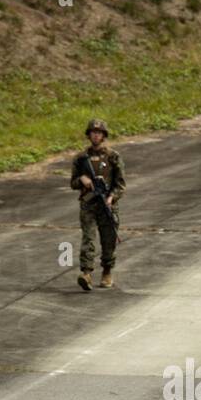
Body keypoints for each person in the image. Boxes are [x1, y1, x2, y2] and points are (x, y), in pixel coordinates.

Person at [70, 118, 125, 289]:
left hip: (107, 204)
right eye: (93, 132)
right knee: (88, 238)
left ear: (104, 136)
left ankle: (107, 270)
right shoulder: (81, 159)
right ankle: (86, 273)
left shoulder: (113, 157)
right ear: (89, 135)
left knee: (108, 240)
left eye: (99, 133)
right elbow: (72, 183)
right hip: (88, 205)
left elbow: (121, 184)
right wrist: (82, 180)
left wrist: (111, 198)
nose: (96, 135)